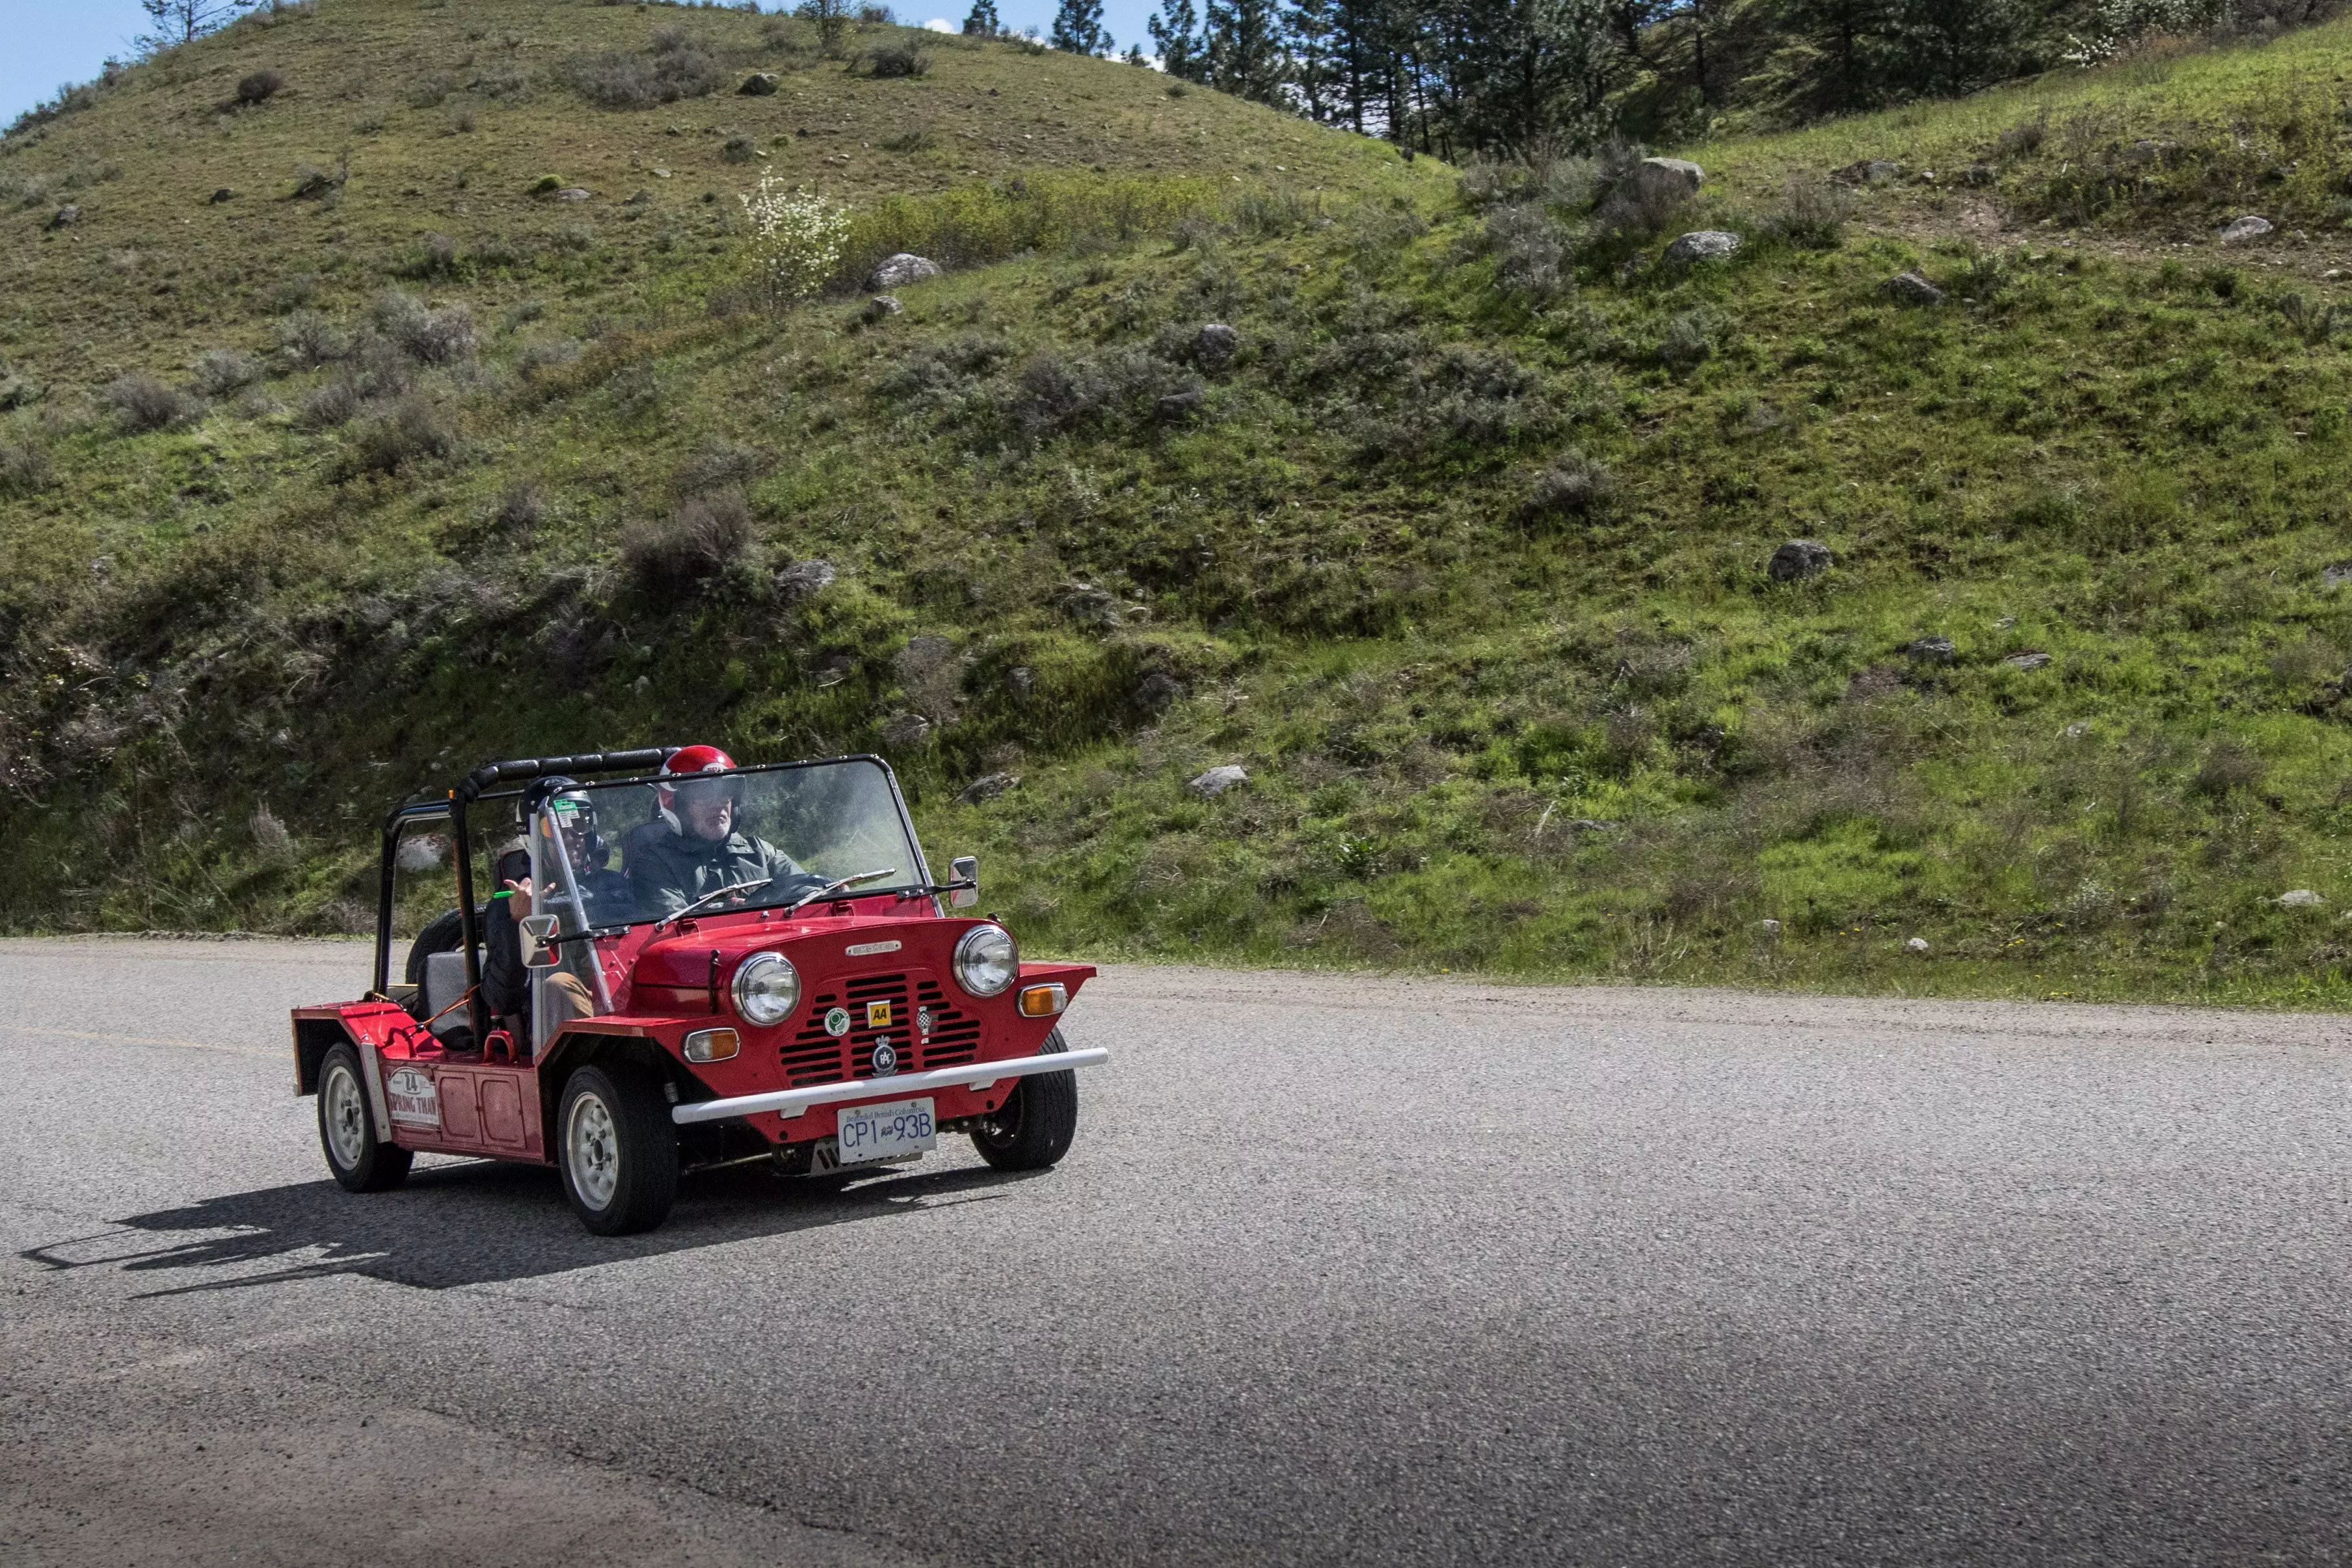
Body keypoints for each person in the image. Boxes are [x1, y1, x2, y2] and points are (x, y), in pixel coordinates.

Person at [482, 778, 632, 1046]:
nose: (573, 837)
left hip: (619, 1000)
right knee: (558, 986)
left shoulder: (614, 885)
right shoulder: (509, 903)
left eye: (580, 822)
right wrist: (519, 921)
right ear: (532, 836)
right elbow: (500, 998)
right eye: (556, 827)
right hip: (548, 1027)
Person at [625, 745, 811, 918]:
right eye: (703, 795)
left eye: (725, 792)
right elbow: (672, 928)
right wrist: (731, 910)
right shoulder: (654, 864)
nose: (717, 804)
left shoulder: (760, 852)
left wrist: (834, 892)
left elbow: (807, 888)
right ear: (677, 806)